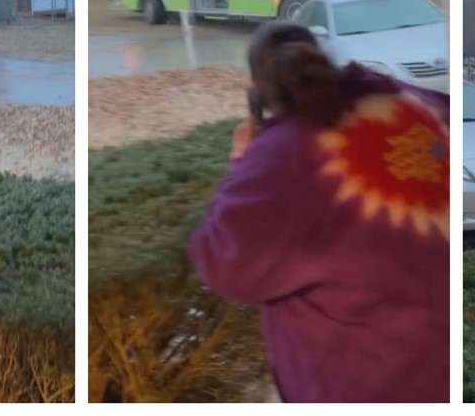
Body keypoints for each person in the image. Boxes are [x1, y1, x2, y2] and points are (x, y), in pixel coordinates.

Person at [188, 21, 450, 403]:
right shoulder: (420, 104)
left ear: (258, 93)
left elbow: (224, 263)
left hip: (366, 383)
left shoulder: (285, 155)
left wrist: (242, 161)